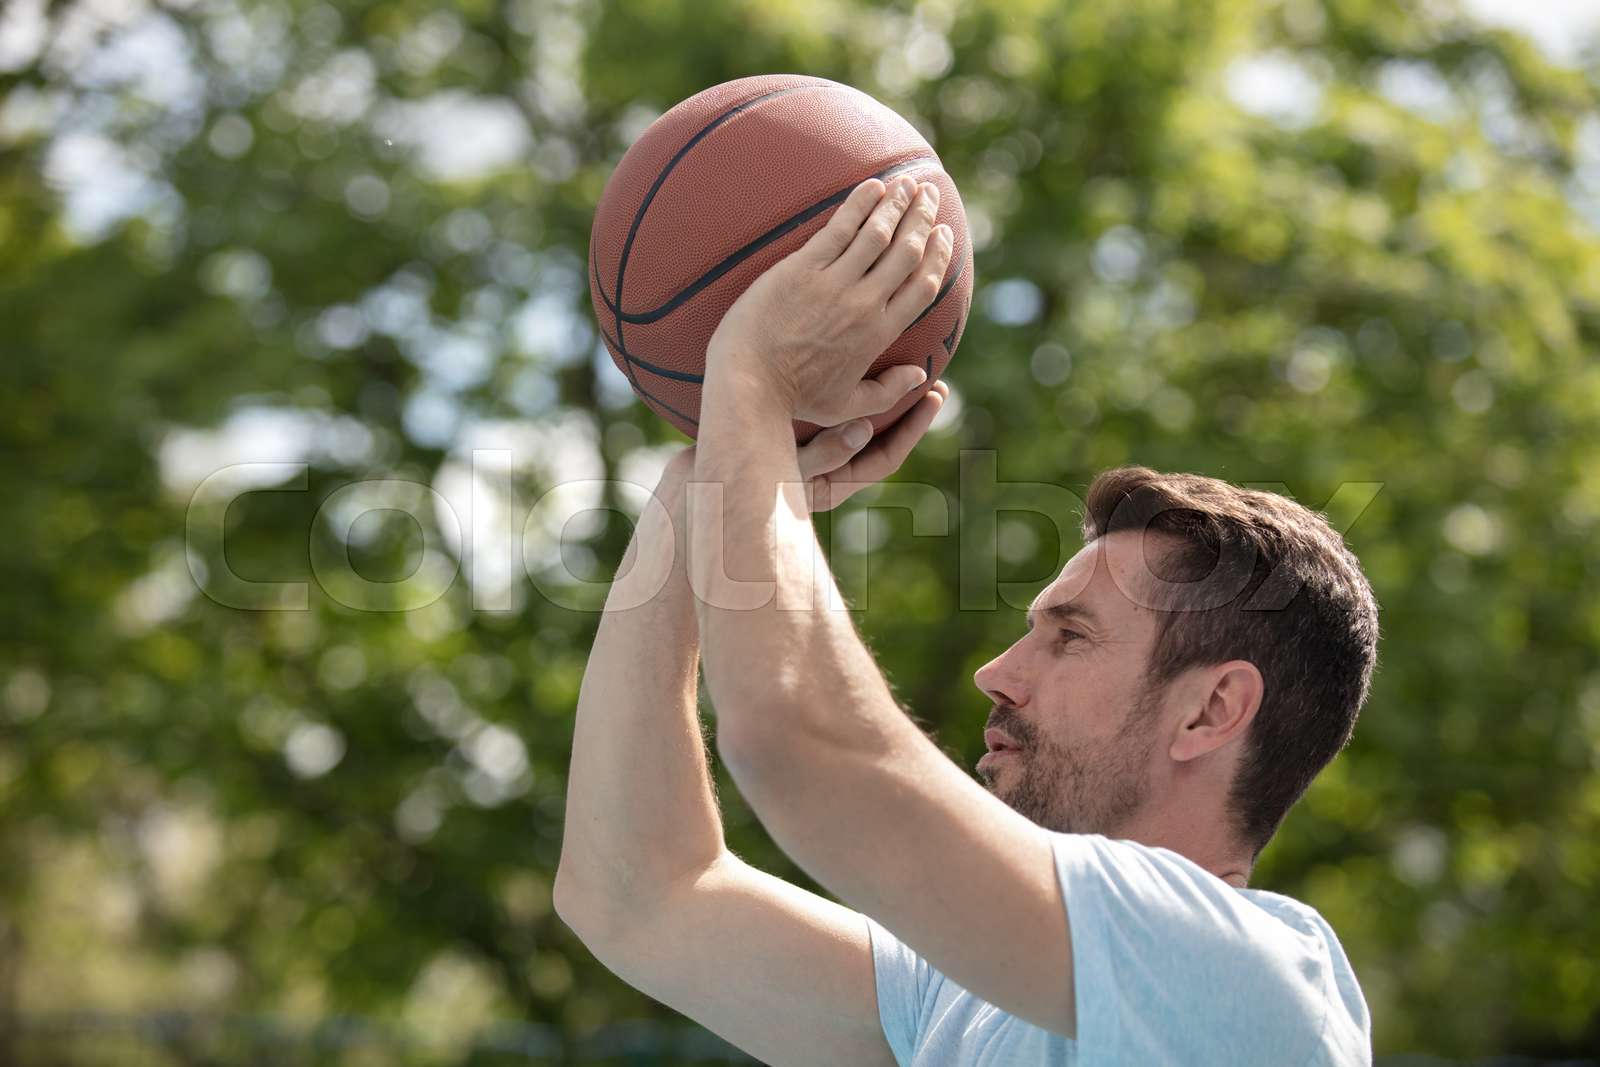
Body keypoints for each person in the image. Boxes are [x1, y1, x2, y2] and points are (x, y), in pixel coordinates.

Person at [554, 175, 1377, 1065]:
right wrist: (694, 497)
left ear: (1211, 711)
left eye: (1071, 635)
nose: (997, 671)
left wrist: (750, 381)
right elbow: (637, 894)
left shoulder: (1241, 974)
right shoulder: (954, 994)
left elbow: (801, 744)